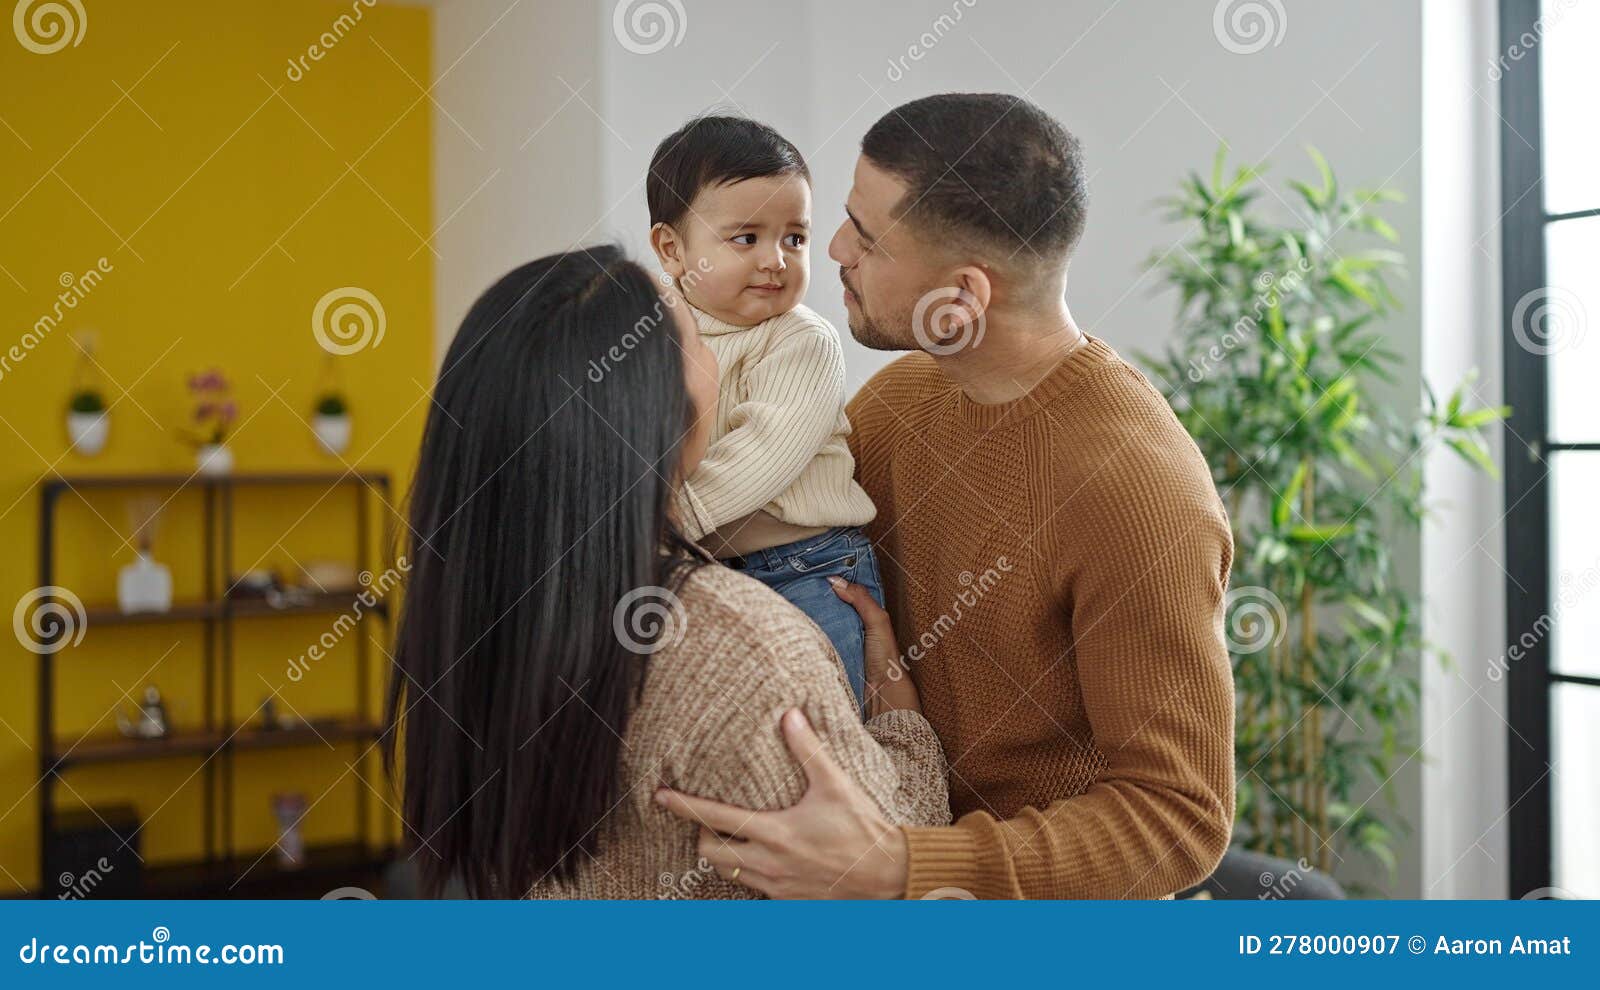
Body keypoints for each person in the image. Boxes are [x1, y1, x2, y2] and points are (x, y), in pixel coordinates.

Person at [656, 93, 1236, 900]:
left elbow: (1179, 819)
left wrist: (903, 864)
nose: (830, 251)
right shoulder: (896, 405)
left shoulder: (1139, 489)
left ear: (963, 292)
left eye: (865, 236)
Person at [381, 246, 949, 899]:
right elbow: (888, 889)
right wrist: (904, 730)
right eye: (698, 338)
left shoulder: (469, 609)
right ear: (660, 413)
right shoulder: (744, 650)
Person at [647, 115, 883, 707]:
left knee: (822, 718)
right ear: (673, 249)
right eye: (746, 238)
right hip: (702, 568)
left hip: (808, 568)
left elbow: (764, 452)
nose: (776, 260)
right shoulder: (652, 330)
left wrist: (665, 523)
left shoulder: (801, 340)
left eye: (795, 238)